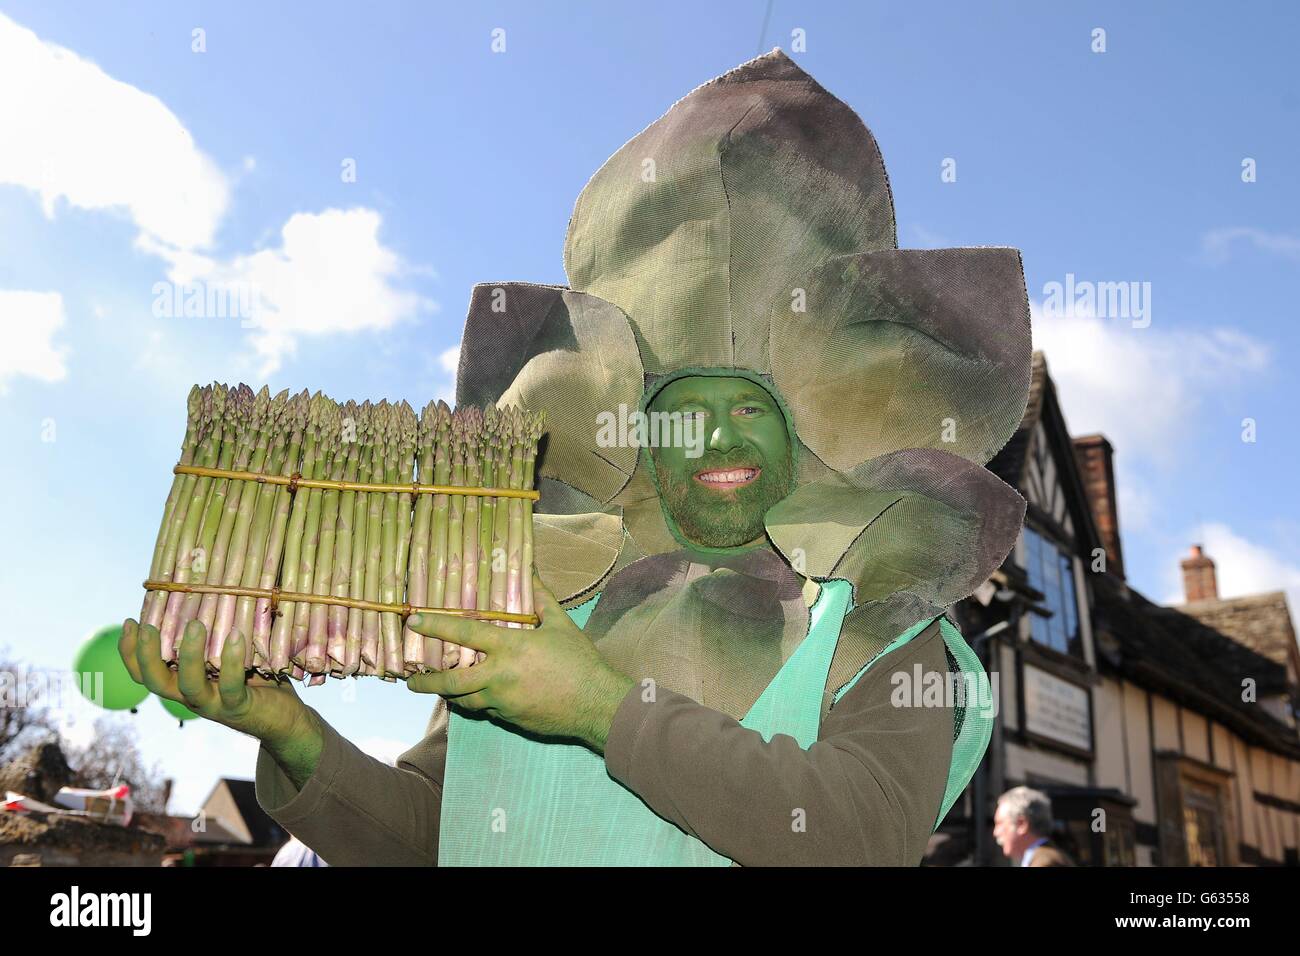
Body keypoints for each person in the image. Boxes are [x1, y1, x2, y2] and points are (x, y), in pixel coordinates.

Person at [119, 49, 1032, 866]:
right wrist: (292, 733)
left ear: (806, 434)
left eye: (751, 406)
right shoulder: (536, 612)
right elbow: (435, 836)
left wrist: (601, 708)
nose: (717, 438)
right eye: (682, 410)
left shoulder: (895, 635)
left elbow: (856, 837)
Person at [993, 786, 1076, 867]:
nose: (995, 832)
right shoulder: (1048, 857)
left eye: (999, 823)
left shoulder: (1046, 862)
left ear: (1021, 824)